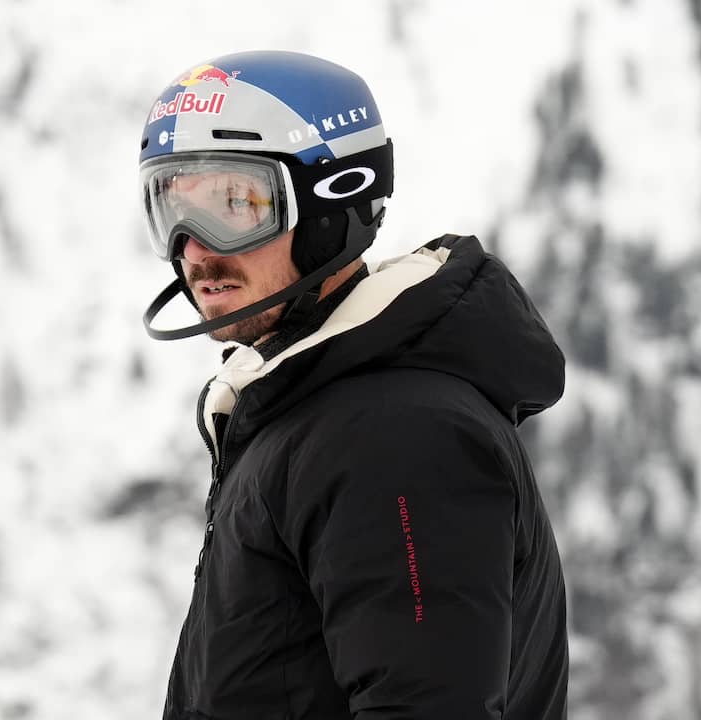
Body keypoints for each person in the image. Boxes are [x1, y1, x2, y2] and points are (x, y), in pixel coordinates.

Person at [138, 51, 569, 719]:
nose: (195, 251)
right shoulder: (310, 413)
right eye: (172, 210)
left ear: (332, 202)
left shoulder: (394, 435)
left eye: (234, 204)